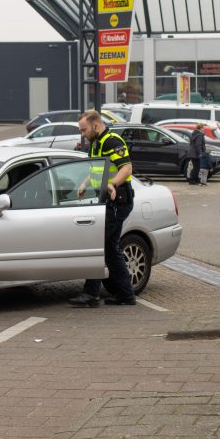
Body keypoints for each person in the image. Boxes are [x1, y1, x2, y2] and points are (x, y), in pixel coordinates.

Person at [69, 110, 137, 308]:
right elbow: (97, 169)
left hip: (118, 200)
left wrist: (112, 184)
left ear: (96, 125)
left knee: (98, 244)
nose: (82, 134)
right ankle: (126, 294)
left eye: (84, 129)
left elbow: (126, 168)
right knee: (110, 248)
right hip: (108, 201)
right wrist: (84, 184)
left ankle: (91, 293)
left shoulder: (112, 141)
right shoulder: (96, 143)